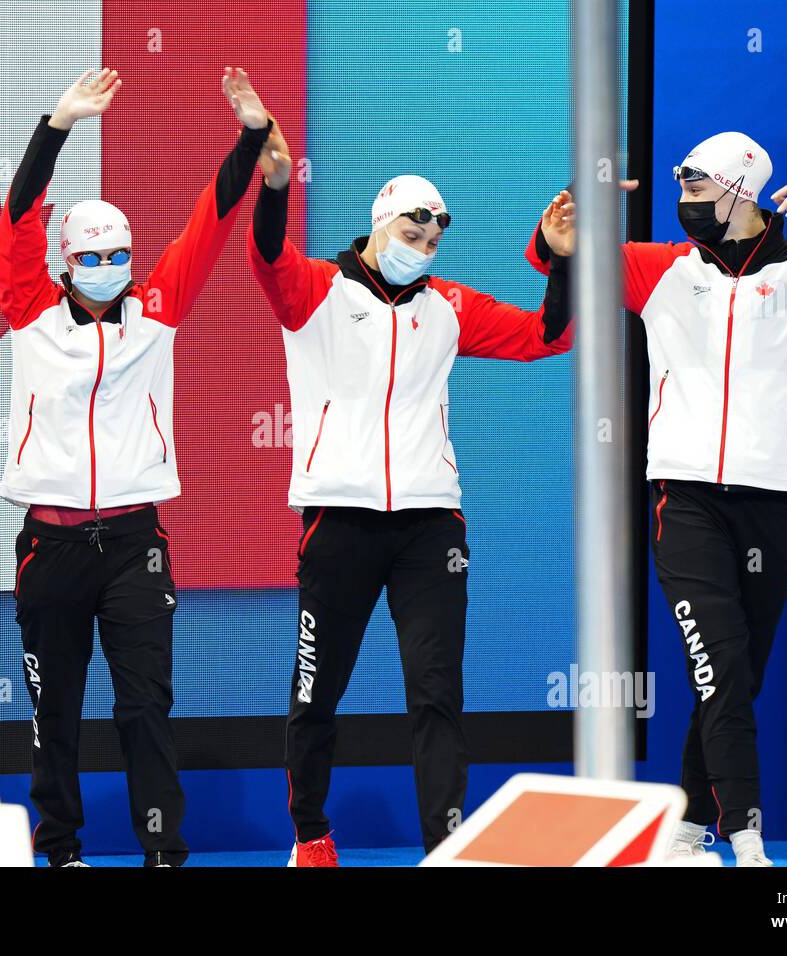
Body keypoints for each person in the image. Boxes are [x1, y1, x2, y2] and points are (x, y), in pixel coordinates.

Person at [527, 132, 787, 866]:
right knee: (720, 669)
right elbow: (562, 265)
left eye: (698, 192)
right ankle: (747, 839)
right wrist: (557, 240)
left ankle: (683, 832)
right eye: (681, 191)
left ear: (742, 191)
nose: (683, 205)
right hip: (687, 499)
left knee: (735, 675)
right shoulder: (659, 270)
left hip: (775, 502)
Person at [247, 119, 576, 865]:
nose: (425, 244)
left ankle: (447, 844)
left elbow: (546, 336)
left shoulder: (449, 307)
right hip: (339, 518)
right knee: (316, 690)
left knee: (436, 693)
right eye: (413, 228)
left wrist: (558, 263)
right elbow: (267, 256)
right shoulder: (316, 292)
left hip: (430, 524)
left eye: (434, 237)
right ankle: (309, 833)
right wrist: (271, 185)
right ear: (378, 222)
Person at [0, 66, 275, 868]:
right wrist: (58, 124)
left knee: (145, 705)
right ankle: (61, 852)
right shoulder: (28, 312)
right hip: (49, 544)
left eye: (121, 252)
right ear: (66, 261)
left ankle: (162, 850)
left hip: (132, 542)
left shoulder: (157, 312)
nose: (112, 264)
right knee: (56, 709)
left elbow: (211, 220)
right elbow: (18, 216)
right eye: (94, 255)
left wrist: (250, 136)